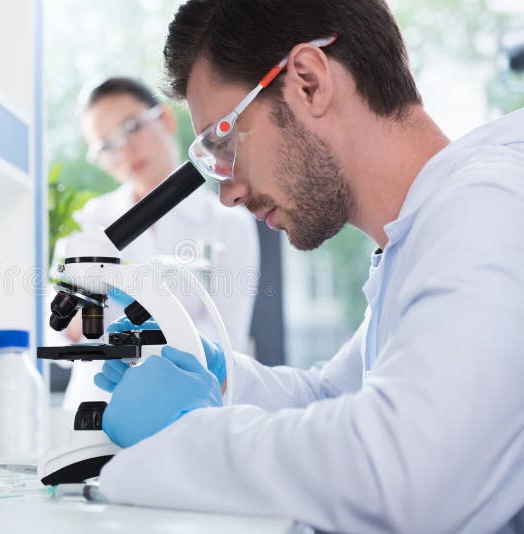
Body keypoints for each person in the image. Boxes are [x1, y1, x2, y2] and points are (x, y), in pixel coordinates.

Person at [92, 1, 524, 532]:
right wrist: (219, 376)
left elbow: (401, 475)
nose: (227, 193)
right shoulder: (419, 240)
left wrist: (189, 430)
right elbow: (332, 398)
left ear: (308, 82)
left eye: (224, 143)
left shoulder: (490, 206)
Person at [53, 77, 259, 412]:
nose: (123, 151)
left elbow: (226, 337)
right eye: (105, 146)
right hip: (96, 407)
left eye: (131, 127)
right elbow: (59, 332)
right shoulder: (89, 224)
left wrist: (139, 344)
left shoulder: (227, 221)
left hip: (182, 408)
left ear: (164, 118)